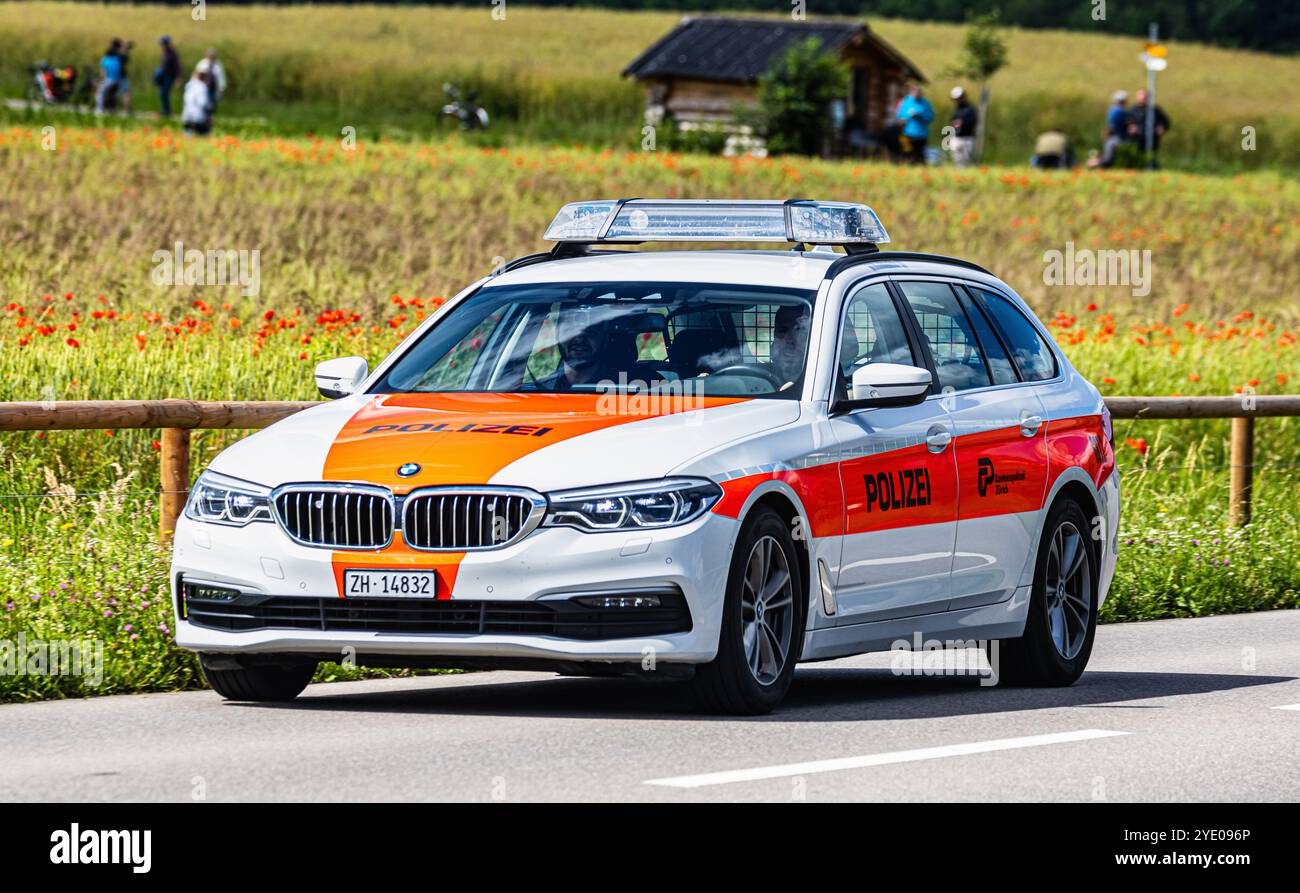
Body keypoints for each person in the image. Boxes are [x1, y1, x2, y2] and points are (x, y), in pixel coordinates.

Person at [1127, 88, 1171, 161]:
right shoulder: (1132, 110)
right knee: (1137, 158)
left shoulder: (1155, 110)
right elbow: (1127, 123)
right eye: (1141, 96)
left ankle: (1151, 168)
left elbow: (1166, 121)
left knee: (1151, 158)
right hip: (1137, 139)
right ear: (1137, 97)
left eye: (1145, 97)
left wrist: (1162, 128)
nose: (1143, 98)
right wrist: (1130, 128)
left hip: (1152, 138)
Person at [894, 84, 934, 164]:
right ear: (911, 93)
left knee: (920, 157)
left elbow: (930, 117)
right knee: (907, 154)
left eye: (918, 93)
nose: (916, 95)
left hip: (921, 135)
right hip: (907, 134)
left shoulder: (925, 103)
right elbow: (899, 116)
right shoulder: (906, 102)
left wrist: (919, 116)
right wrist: (907, 116)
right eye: (915, 93)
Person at [1089, 90, 1130, 169]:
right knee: (1108, 158)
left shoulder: (1116, 110)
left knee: (1108, 157)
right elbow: (1112, 126)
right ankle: (1092, 164)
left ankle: (1093, 163)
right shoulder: (1117, 111)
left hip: (1115, 137)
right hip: (1116, 138)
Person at [95, 38, 129, 114]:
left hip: (109, 80)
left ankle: (99, 110)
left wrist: (101, 80)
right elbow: (126, 60)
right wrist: (126, 50)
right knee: (125, 93)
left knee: (99, 92)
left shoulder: (104, 60)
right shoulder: (119, 58)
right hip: (120, 79)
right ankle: (127, 110)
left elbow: (102, 74)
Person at [948, 86, 978, 167]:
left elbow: (972, 122)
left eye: (958, 99)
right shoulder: (957, 110)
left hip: (967, 139)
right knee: (957, 161)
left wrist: (961, 123)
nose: (956, 101)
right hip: (956, 138)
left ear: (963, 98)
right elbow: (953, 122)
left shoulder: (970, 110)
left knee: (967, 161)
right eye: (955, 99)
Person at [181, 68, 213, 136]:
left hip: (186, 117)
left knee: (188, 132)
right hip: (198, 118)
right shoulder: (203, 87)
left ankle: (188, 134)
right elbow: (203, 103)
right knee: (206, 131)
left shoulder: (189, 85)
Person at [155, 35, 181, 117]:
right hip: (163, 76)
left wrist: (178, 78)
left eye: (163, 44)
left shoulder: (172, 53)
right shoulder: (165, 52)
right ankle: (165, 110)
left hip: (169, 76)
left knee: (164, 93)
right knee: (162, 93)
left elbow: (177, 66)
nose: (162, 46)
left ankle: (167, 111)